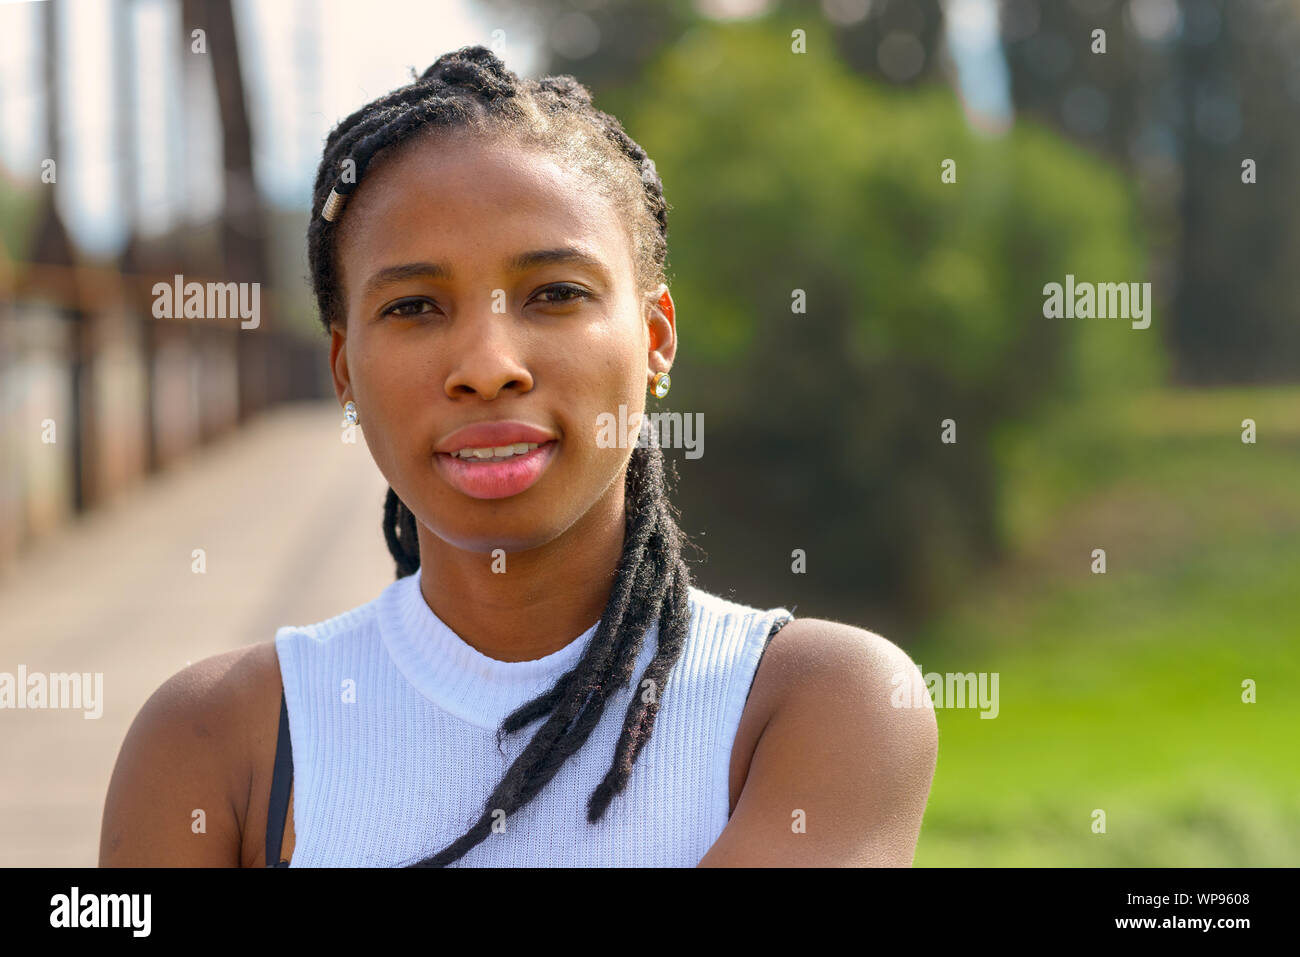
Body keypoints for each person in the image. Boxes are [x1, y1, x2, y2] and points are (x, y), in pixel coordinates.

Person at [99, 45, 936, 868]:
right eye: (416, 306)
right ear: (344, 370)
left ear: (654, 336)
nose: (488, 364)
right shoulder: (212, 741)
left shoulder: (817, 705)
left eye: (555, 294)